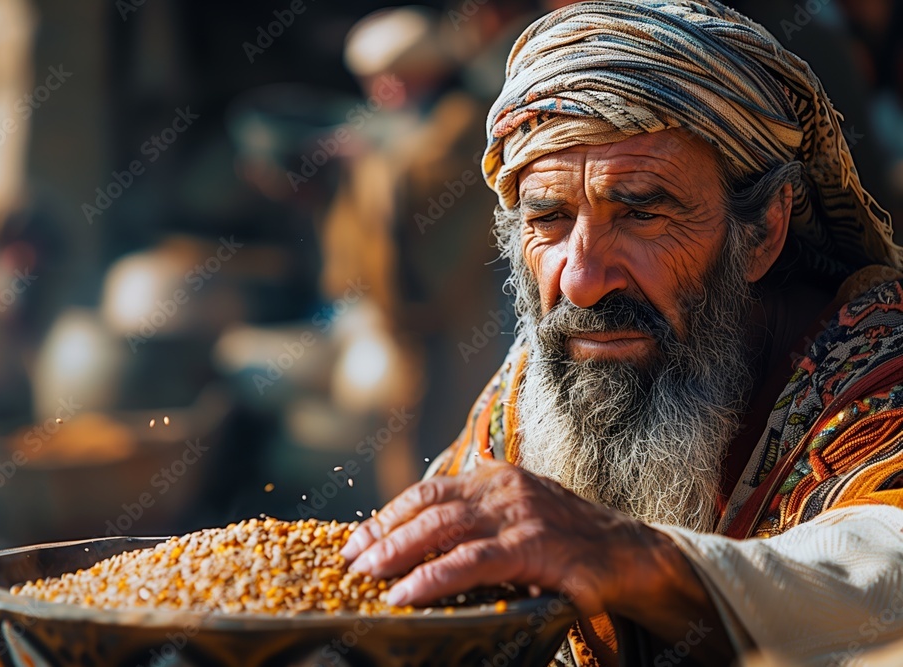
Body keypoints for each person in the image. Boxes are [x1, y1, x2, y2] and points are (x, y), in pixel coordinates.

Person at [340, 1, 903, 665]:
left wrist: (626, 556)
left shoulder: (871, 366)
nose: (581, 281)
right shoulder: (532, 386)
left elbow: (878, 571)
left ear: (765, 231)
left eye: (640, 212)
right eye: (547, 217)